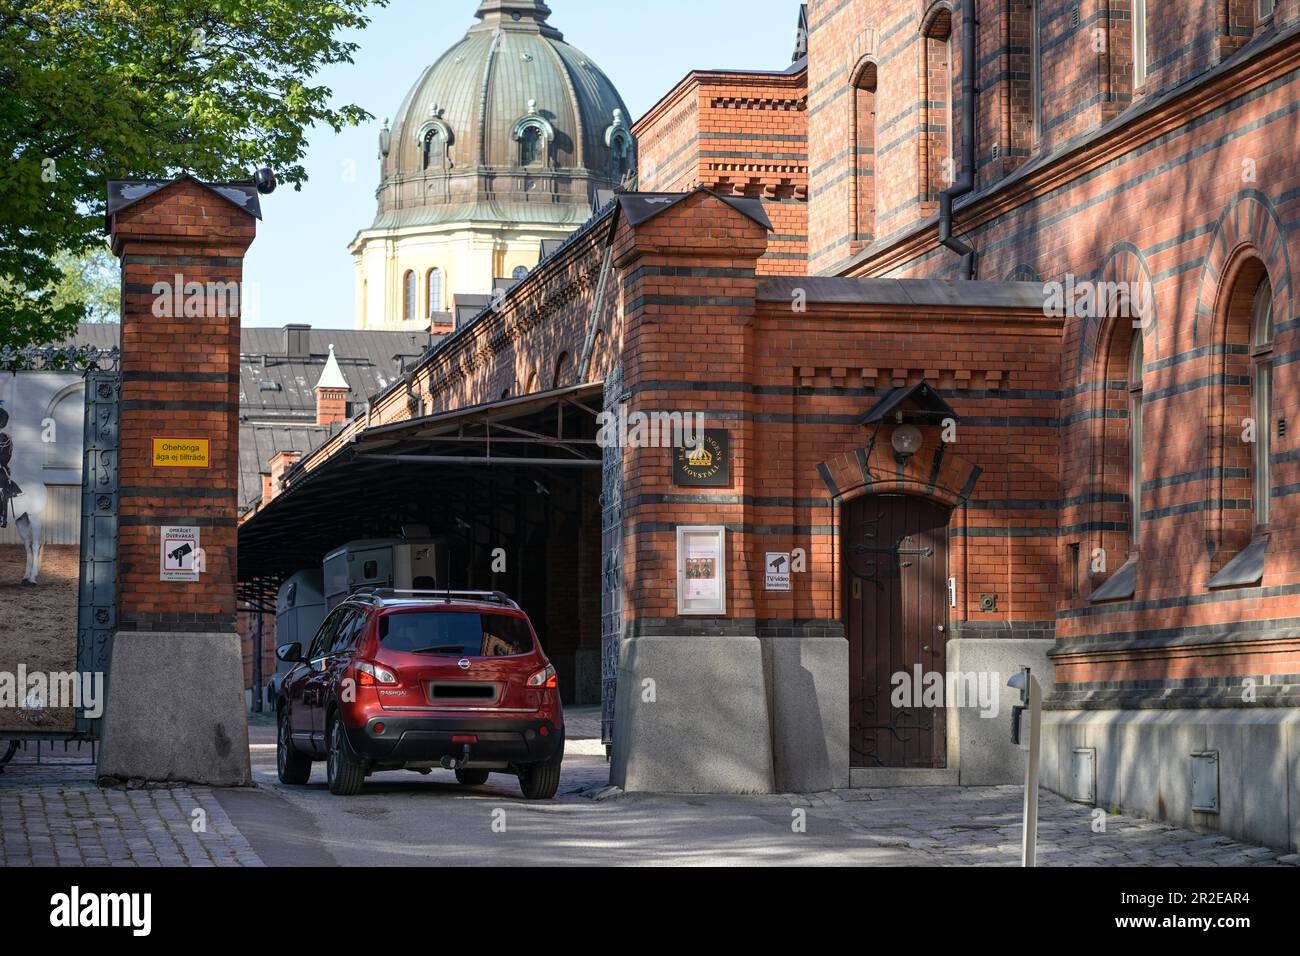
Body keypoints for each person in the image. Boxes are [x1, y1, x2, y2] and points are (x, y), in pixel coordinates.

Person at [0, 407, 19, 530]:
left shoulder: (5, 439)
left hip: (0, 468)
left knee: (0, 490)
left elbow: (7, 455)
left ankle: (2, 517)